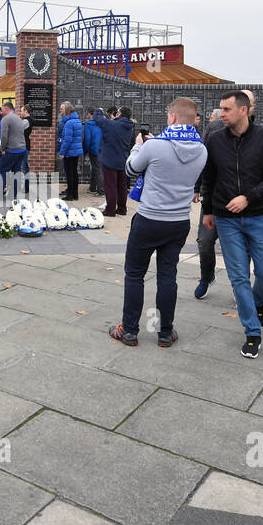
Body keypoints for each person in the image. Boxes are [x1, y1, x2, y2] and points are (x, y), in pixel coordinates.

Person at [109, 98, 208, 348]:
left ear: (173, 117)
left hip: (149, 219)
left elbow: (131, 169)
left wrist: (138, 147)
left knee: (134, 274)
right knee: (167, 277)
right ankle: (165, 332)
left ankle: (129, 331)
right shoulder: (202, 149)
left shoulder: (154, 145)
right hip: (178, 222)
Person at [198, 90, 263, 359]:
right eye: (220, 109)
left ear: (244, 111)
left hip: (258, 215)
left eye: (226, 109)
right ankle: (253, 332)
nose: (221, 114)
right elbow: (209, 177)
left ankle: (257, 304)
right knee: (238, 277)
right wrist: (208, 210)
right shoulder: (214, 139)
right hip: (226, 218)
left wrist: (249, 197)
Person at [92, 106, 136, 216]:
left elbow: (98, 119)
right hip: (123, 160)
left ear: (120, 114)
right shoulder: (130, 128)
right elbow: (131, 144)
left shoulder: (113, 125)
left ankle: (110, 210)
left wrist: (99, 110)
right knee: (122, 186)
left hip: (110, 160)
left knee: (110, 186)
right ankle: (122, 209)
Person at [0, 102, 29, 200]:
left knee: (2, 170)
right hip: (22, 149)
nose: (2, 112)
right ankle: (13, 195)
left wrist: (2, 148)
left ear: (6, 109)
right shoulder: (18, 118)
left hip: (12, 150)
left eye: (2, 109)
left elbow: (4, 136)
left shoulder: (5, 119)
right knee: (16, 172)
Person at [56, 102, 84, 201]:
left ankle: (70, 195)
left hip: (69, 151)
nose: (60, 111)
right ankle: (75, 194)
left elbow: (67, 139)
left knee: (70, 173)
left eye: (62, 109)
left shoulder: (69, 123)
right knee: (74, 172)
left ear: (67, 110)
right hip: (75, 151)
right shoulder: (76, 121)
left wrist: (62, 152)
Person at [83, 111, 103, 195]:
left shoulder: (88, 124)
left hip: (93, 149)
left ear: (90, 114)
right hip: (102, 149)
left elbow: (87, 139)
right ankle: (92, 188)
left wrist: (85, 150)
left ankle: (101, 190)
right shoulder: (104, 123)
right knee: (97, 168)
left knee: (97, 169)